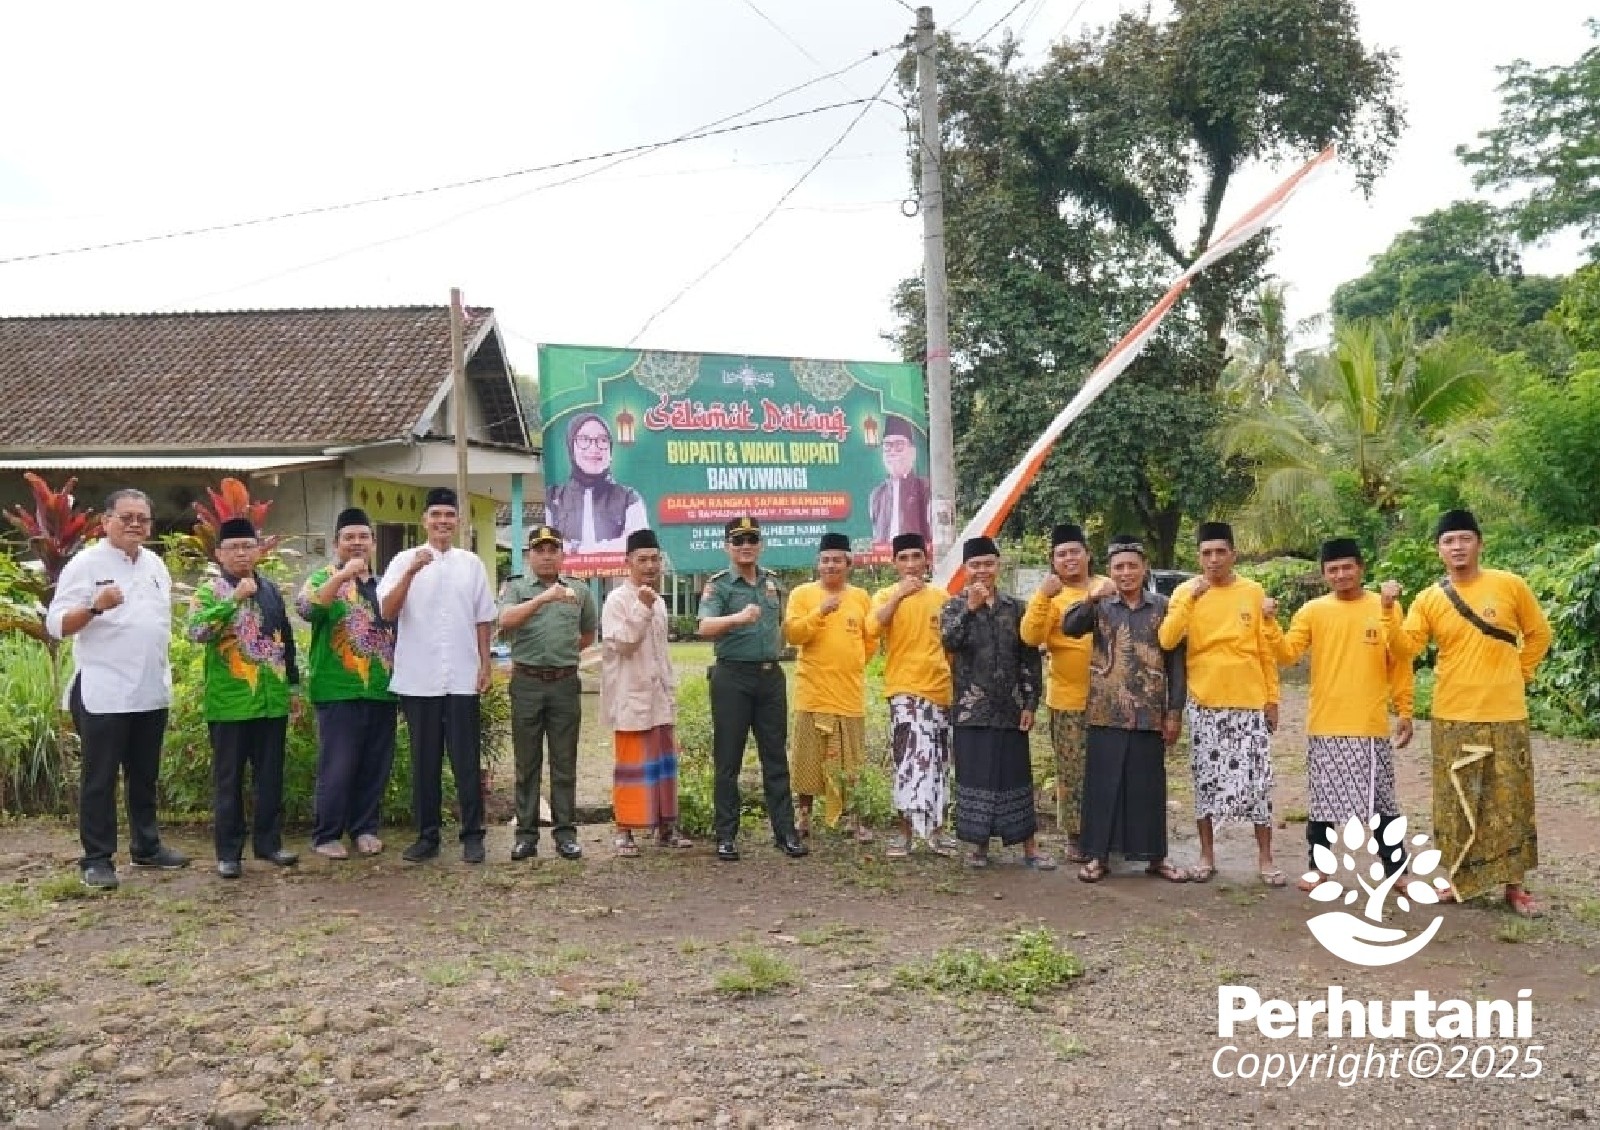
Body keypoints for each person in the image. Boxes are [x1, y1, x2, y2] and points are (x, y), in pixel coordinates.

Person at [1385, 509, 1552, 916]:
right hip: (1453, 713)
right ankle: (1461, 880)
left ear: (1479, 543)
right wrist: (1388, 609)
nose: (1457, 547)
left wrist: (1521, 673)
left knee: (1509, 801)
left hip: (1506, 713)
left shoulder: (1510, 585)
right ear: (1439, 550)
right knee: (1456, 801)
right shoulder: (1429, 599)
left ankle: (1515, 887)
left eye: (1464, 539)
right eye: (1448, 541)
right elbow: (1405, 649)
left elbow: (1539, 634)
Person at [46, 488, 188, 889]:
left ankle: (147, 846)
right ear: (106, 521)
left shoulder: (155, 564)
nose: (135, 524)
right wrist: (95, 607)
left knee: (144, 775)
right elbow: (56, 625)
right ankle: (97, 858)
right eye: (126, 517)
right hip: (104, 690)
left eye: (143, 518)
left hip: (149, 688)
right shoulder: (85, 564)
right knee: (100, 778)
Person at [1266, 538, 1413, 892]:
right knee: (1323, 802)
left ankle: (1398, 872)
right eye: (1333, 569)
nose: (1341, 574)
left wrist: (1405, 709)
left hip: (1369, 723)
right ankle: (1319, 868)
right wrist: (1268, 622)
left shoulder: (1385, 606)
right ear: (1324, 575)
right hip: (1326, 721)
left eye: (1348, 567)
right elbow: (1286, 654)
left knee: (1382, 802)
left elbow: (1400, 660)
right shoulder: (1313, 611)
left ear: (1361, 568)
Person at [1158, 521, 1283, 886]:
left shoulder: (1252, 592)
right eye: (1206, 553)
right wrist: (1191, 600)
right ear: (1198, 557)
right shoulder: (1184, 593)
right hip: (1205, 703)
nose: (1213, 559)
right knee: (1206, 782)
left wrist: (1272, 699)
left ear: (1233, 555)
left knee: (1258, 783)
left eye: (1220, 552)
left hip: (1250, 703)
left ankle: (1266, 858)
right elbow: (1167, 640)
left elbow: (1265, 651)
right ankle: (1206, 855)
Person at [377, 487, 496, 865]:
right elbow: (388, 611)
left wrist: (485, 664)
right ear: (424, 521)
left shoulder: (471, 564)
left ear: (457, 521)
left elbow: (483, 618)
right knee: (424, 761)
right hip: (419, 678)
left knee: (466, 760)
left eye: (449, 515)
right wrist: (412, 572)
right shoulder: (403, 560)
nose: (443, 521)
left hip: (462, 677)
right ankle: (427, 836)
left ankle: (472, 836)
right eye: (436, 515)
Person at [1061, 535, 1189, 883]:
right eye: (1119, 567)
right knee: (1102, 787)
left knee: (1149, 786)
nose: (1126, 572)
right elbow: (1069, 628)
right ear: (1110, 571)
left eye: (1132, 565)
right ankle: (1097, 857)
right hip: (1106, 711)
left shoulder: (1163, 607)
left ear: (1145, 568)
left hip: (1149, 713)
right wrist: (1090, 598)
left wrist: (1175, 711)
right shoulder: (1100, 605)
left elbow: (1177, 664)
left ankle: (1156, 858)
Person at [186, 517, 300, 879]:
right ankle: (229, 853)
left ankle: (269, 844)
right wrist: (233, 600)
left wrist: (293, 687)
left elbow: (286, 640)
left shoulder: (270, 590)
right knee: (229, 781)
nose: (241, 553)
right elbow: (196, 632)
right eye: (233, 547)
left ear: (258, 550)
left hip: (271, 701)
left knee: (270, 778)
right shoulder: (210, 591)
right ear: (219, 554)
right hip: (230, 704)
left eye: (248, 546)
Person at [938, 536, 1054, 869]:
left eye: (988, 564)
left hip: (1010, 709)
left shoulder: (1017, 608)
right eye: (975, 565)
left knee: (1016, 776)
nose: (982, 570)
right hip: (971, 710)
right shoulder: (953, 606)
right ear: (965, 569)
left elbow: (1029, 659)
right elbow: (949, 641)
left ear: (998, 566)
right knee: (976, 777)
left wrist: (1030, 703)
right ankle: (979, 847)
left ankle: (1029, 848)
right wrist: (970, 609)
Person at [697, 516, 807, 862]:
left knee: (775, 756)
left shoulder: (772, 582)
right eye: (738, 540)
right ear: (727, 547)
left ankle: (785, 833)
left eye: (751, 539)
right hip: (732, 677)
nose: (746, 546)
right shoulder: (719, 586)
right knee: (728, 759)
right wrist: (737, 618)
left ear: (761, 545)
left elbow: (782, 626)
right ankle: (726, 836)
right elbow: (704, 626)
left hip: (770, 677)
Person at [296, 507, 397, 860]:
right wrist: (342, 576)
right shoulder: (321, 578)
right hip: (337, 689)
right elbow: (307, 610)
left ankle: (365, 829)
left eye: (363, 537)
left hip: (382, 688)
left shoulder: (384, 585)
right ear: (336, 543)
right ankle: (326, 834)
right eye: (349, 537)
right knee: (338, 766)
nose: (357, 543)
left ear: (373, 542)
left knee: (374, 765)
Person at [497, 524, 597, 861]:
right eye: (539, 550)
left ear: (562, 555)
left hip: (564, 683)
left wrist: (562, 656)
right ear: (529, 555)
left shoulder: (579, 590)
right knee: (527, 763)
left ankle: (565, 833)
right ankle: (526, 835)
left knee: (564, 761)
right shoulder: (515, 587)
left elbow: (587, 634)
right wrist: (543, 598)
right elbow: (505, 621)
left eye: (553, 549)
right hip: (526, 682)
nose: (546, 556)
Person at [601, 528, 693, 857]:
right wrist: (641, 607)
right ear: (628, 561)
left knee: (663, 764)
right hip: (630, 696)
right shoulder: (617, 600)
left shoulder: (660, 600)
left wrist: (670, 691)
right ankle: (624, 832)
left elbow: (661, 654)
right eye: (643, 559)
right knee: (632, 766)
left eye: (655, 559)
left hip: (659, 697)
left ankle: (665, 828)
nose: (650, 566)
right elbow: (623, 644)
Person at [866, 532, 955, 858]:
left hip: (940, 691)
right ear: (894, 564)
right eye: (903, 558)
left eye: (916, 557)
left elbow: (952, 644)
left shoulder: (942, 596)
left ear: (926, 560)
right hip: (904, 691)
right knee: (907, 762)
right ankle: (904, 835)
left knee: (939, 763)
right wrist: (899, 596)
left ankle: (937, 833)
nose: (911, 564)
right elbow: (872, 628)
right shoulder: (884, 595)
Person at [783, 532, 874, 841]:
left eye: (837, 560)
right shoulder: (802, 594)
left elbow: (869, 641)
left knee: (851, 761)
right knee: (807, 759)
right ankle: (804, 817)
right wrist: (820, 611)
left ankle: (852, 818)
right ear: (818, 564)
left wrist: (851, 663)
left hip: (849, 692)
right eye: (825, 560)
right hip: (813, 692)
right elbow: (793, 634)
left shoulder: (860, 597)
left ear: (848, 564)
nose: (831, 565)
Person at [1019, 522, 1097, 864]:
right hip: (1067, 699)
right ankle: (1075, 836)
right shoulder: (1050, 597)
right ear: (1053, 561)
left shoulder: (1105, 587)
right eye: (1061, 554)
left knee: (1108, 768)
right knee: (1072, 771)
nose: (1069, 559)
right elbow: (1029, 637)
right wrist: (1042, 596)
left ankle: (1108, 833)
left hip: (1111, 699)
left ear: (1087, 555)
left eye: (1074, 552)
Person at [544, 413, 647, 554]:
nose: (594, 448)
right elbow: (547, 545)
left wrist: (576, 549)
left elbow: (639, 542)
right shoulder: (552, 497)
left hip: (617, 569)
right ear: (571, 448)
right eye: (584, 439)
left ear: (610, 451)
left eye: (602, 440)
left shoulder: (629, 498)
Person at [869, 415, 932, 546]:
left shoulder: (925, 488)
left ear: (912, 452)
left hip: (915, 554)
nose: (892, 452)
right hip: (884, 557)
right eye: (887, 446)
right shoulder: (877, 495)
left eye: (899, 445)